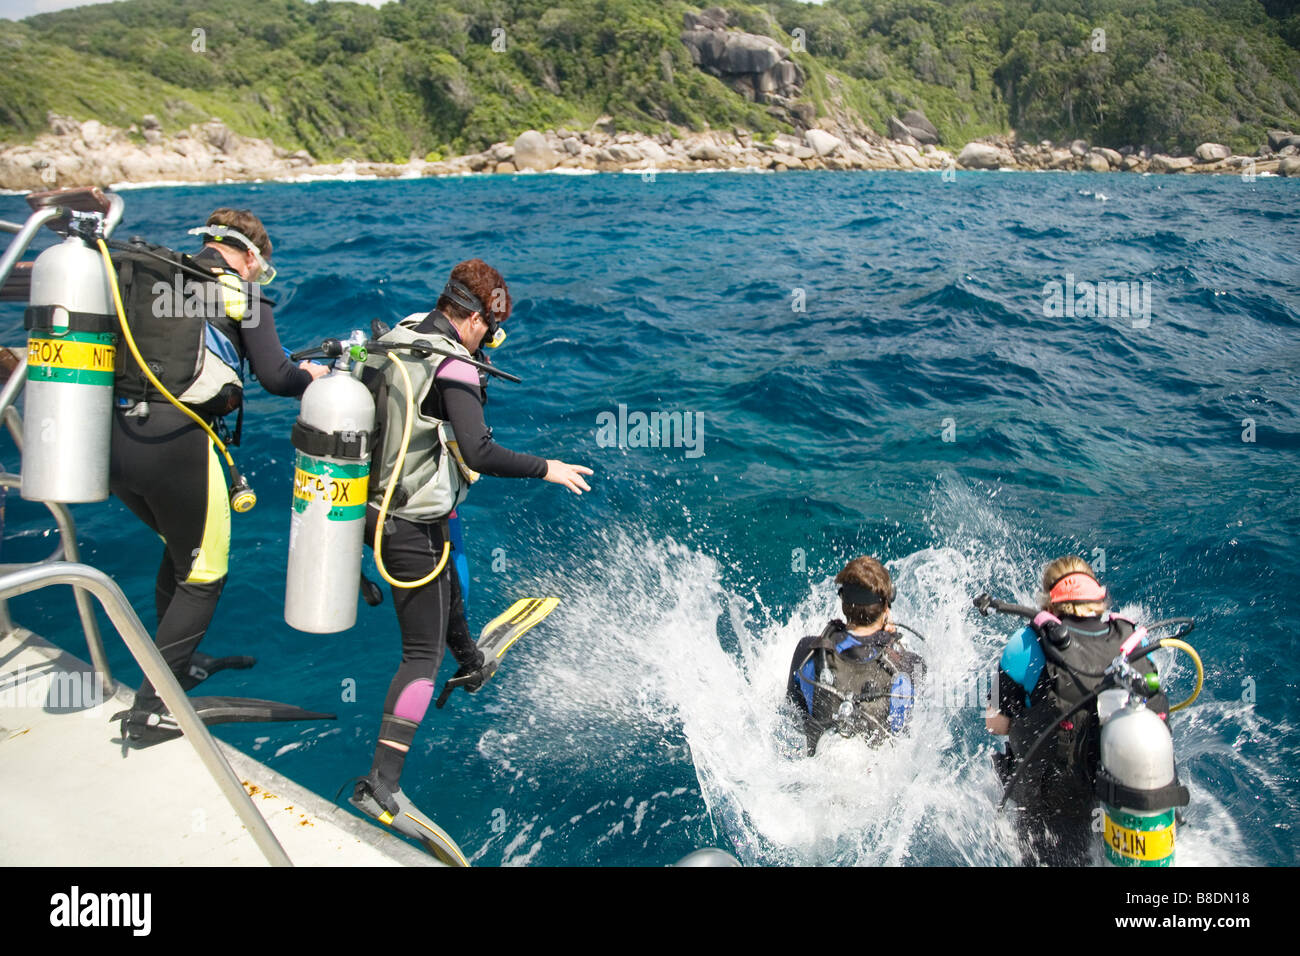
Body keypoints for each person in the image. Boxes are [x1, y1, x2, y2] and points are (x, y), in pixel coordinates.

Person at [347, 258, 592, 854]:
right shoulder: (453, 361)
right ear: (478, 317)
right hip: (409, 526)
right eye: (493, 324)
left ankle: (471, 659)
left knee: (448, 584)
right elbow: (478, 451)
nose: (493, 336)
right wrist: (548, 468)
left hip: (377, 509)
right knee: (417, 659)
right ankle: (382, 784)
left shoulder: (403, 333)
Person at [110, 208, 327, 740]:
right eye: (263, 269)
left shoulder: (156, 278)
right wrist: (313, 376)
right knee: (205, 576)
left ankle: (180, 664)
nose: (260, 278)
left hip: (115, 442)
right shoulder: (240, 295)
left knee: (182, 550)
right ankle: (151, 709)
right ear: (249, 255)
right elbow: (277, 378)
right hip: (178, 445)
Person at [985, 555, 1170, 865]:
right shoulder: (1133, 638)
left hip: (1055, 808)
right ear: (1097, 594)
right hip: (1127, 796)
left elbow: (996, 724)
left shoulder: (1025, 643)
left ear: (1048, 600)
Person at [786, 556, 923, 755]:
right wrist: (889, 640)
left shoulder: (807, 650)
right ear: (886, 606)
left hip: (817, 770)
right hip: (877, 778)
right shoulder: (909, 665)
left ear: (844, 603)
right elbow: (907, 734)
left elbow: (792, 715)